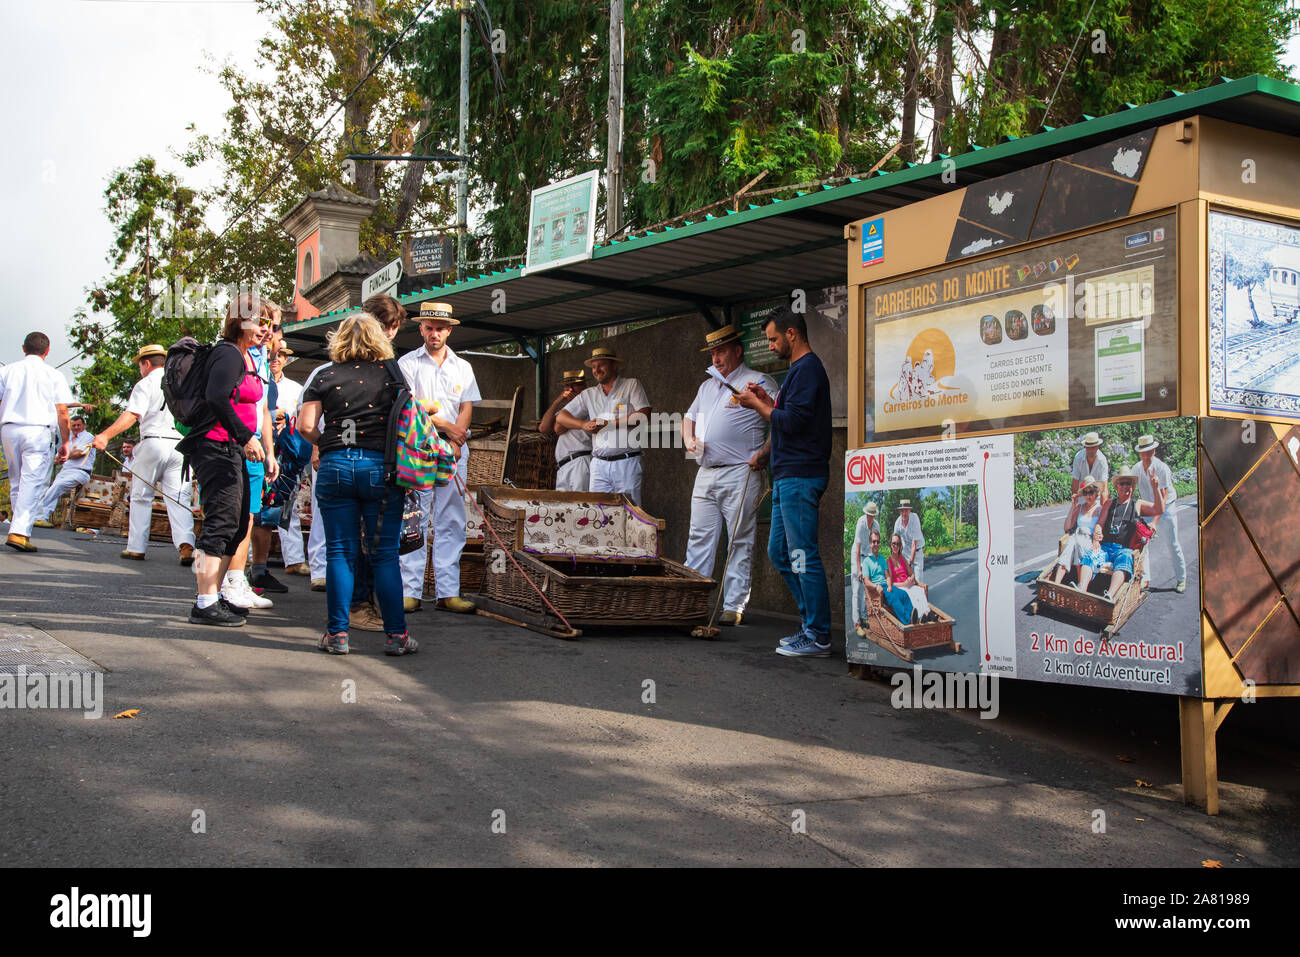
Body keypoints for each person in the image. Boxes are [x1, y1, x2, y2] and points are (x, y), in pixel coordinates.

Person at [298, 313, 414, 655]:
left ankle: (338, 635)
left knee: (340, 552)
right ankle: (397, 637)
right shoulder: (393, 374)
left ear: (339, 339)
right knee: (384, 555)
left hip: (334, 468)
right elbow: (411, 419)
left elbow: (305, 426)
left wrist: (327, 443)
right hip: (381, 468)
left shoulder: (324, 375)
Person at [734, 306, 833, 658]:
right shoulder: (796, 372)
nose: (771, 346)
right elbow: (786, 416)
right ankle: (810, 625)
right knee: (779, 552)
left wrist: (758, 406)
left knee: (803, 554)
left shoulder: (808, 369)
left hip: (802, 476)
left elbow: (792, 422)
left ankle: (819, 634)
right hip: (786, 475)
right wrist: (763, 401)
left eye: (774, 339)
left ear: (792, 333)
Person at [179, 295, 280, 625]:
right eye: (260, 322)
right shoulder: (228, 353)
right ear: (242, 321)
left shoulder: (244, 356)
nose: (266, 330)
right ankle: (204, 600)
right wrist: (245, 436)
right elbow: (216, 397)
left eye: (270, 324)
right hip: (215, 448)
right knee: (219, 522)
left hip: (231, 449)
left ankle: (217, 594)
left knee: (237, 524)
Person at [681, 324, 777, 626]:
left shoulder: (758, 381)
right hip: (706, 471)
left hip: (741, 471)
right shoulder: (707, 385)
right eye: (712, 352)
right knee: (699, 537)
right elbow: (688, 417)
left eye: (721, 350)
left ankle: (733, 605)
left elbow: (780, 416)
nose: (716, 357)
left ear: (738, 350)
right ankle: (693, 600)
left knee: (739, 539)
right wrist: (688, 440)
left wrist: (765, 452)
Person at [398, 301, 480, 614]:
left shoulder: (463, 366)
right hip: (419, 450)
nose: (434, 333)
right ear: (421, 329)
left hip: (454, 452)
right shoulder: (408, 363)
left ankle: (449, 591)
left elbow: (466, 405)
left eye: (440, 328)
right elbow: (410, 407)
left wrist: (457, 437)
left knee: (452, 520)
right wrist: (446, 427)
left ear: (449, 330)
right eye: (429, 327)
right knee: (415, 518)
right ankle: (410, 590)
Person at [92, 344, 195, 564]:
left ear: (146, 363)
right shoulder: (182, 383)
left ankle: (137, 547)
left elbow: (132, 415)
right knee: (179, 498)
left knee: (141, 496)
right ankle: (186, 545)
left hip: (153, 442)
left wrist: (105, 436)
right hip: (179, 445)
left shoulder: (146, 383)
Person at [0, 331, 72, 552]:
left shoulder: (7, 370)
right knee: (32, 481)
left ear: (24, 348)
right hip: (38, 431)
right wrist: (66, 442)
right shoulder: (54, 375)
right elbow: (62, 412)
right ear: (47, 351)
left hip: (10, 429)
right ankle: (19, 532)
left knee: (16, 481)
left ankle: (18, 527)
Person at [556, 347, 651, 504]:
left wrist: (609, 424)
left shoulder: (631, 384)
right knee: (598, 514)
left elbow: (643, 415)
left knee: (630, 512)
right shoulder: (589, 394)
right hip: (598, 464)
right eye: (593, 366)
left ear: (614, 365)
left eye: (601, 365)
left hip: (626, 461)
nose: (596, 370)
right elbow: (561, 417)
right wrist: (583, 424)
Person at [1127, 434, 1187, 594]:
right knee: (1142, 541)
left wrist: (1154, 522)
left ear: (1154, 451)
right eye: (1143, 452)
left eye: (1149, 452)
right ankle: (1145, 579)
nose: (1146, 455)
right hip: (1148, 505)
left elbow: (1164, 499)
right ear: (1139, 453)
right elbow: (1131, 492)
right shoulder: (1136, 468)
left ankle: (1181, 578)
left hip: (1166, 507)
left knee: (1172, 543)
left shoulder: (1162, 468)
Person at [1094, 472, 1164, 602]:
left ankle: (1109, 595)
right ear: (1117, 486)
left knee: (1124, 560)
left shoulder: (1137, 504)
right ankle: (1081, 589)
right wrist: (1096, 536)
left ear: (1133, 487)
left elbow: (1159, 509)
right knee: (1090, 555)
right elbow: (1100, 523)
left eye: (1128, 483)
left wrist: (1156, 488)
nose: (1125, 486)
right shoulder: (1110, 503)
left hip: (1123, 548)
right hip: (1105, 546)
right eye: (1122, 483)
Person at [33, 414, 97, 527]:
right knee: (52, 489)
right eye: (74, 425)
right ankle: (42, 517)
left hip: (81, 471)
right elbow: (58, 458)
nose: (76, 427)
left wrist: (65, 456)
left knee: (58, 486)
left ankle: (39, 515)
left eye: (78, 425)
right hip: (65, 470)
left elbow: (80, 453)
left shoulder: (88, 437)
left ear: (84, 425)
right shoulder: (68, 438)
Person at [539, 370, 591, 492]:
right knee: (564, 506)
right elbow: (543, 428)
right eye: (567, 386)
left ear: (584, 386)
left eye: (575, 385)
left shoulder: (586, 406)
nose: (571, 389)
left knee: (580, 505)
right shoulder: (565, 410)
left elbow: (558, 428)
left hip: (580, 461)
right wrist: (558, 401)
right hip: (564, 464)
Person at [1052, 476, 1103, 591]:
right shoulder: (1080, 507)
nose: (1088, 495)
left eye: (1091, 492)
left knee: (1079, 545)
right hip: (1077, 535)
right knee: (1070, 544)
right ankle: (1056, 584)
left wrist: (1097, 539)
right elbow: (1067, 527)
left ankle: (1081, 586)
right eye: (1086, 492)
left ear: (1096, 493)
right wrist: (1073, 506)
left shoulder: (1100, 509)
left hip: (1089, 539)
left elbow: (1100, 528)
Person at [856, 528, 915, 628]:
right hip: (878, 589)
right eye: (874, 541)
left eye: (878, 542)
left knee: (904, 595)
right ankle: (907, 621)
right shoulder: (866, 562)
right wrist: (876, 586)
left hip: (886, 586)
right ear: (870, 543)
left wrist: (889, 584)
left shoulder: (882, 559)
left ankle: (913, 617)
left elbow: (887, 575)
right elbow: (866, 581)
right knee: (894, 598)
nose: (876, 544)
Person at [885, 533, 935, 623]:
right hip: (900, 586)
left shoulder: (902, 558)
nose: (896, 546)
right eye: (894, 543)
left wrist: (911, 579)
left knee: (919, 590)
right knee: (910, 593)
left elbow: (911, 574)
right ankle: (919, 617)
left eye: (898, 544)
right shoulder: (889, 561)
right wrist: (904, 584)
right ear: (890, 545)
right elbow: (891, 582)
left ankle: (927, 613)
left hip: (908, 583)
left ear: (900, 546)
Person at [851, 501, 882, 625]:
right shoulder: (861, 522)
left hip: (868, 557)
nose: (869, 517)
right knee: (857, 589)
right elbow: (858, 548)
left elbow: (875, 547)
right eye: (868, 514)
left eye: (872, 515)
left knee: (867, 588)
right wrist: (859, 569)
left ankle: (864, 617)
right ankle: (857, 622)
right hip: (857, 555)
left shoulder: (876, 526)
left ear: (874, 515)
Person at [892, 499, 925, 581]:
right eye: (902, 511)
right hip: (905, 552)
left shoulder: (915, 519)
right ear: (900, 511)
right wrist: (894, 561)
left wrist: (909, 566)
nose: (904, 513)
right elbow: (895, 542)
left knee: (917, 580)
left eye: (906, 511)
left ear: (909, 510)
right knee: (903, 579)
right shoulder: (898, 523)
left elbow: (914, 545)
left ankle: (921, 592)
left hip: (917, 553)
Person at [1071, 432, 1109, 502]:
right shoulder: (1078, 458)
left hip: (1096, 497)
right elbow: (1075, 482)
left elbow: (1104, 488)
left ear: (1098, 447)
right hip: (1082, 495)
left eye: (1093, 447)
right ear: (1085, 447)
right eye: (1088, 448)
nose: (1090, 450)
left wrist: (1104, 508)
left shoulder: (1102, 460)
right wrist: (1075, 504)